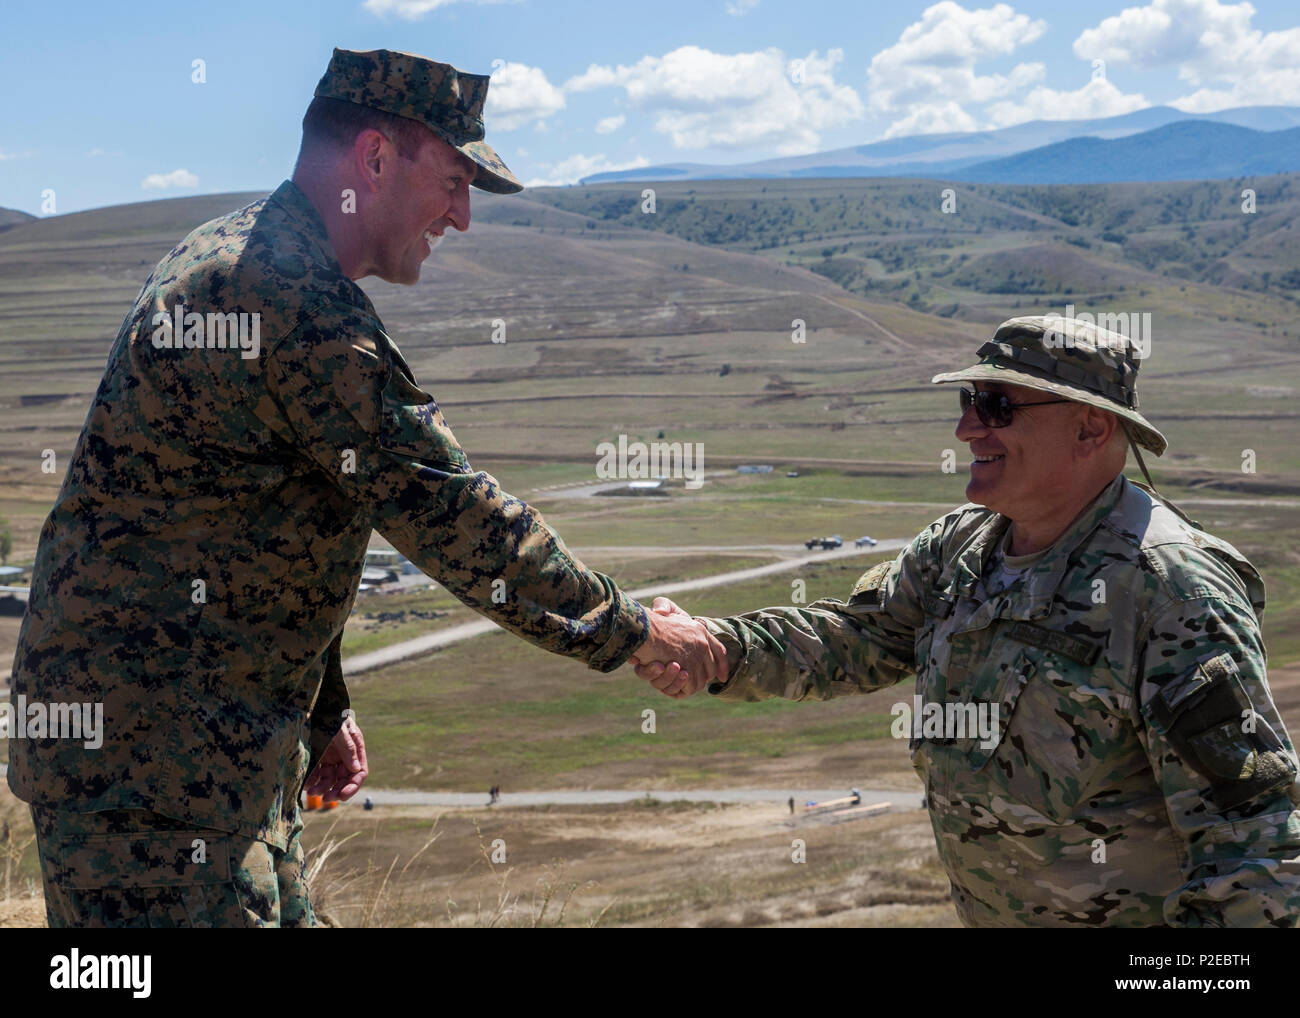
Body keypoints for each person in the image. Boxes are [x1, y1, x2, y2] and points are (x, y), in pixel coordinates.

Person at [8, 47, 723, 928]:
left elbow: (265, 526)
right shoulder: (286, 297)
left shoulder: (240, 253)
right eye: (455, 180)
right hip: (158, 781)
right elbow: (452, 514)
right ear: (375, 158)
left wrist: (323, 705)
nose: (462, 217)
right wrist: (637, 631)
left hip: (184, 756)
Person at [638, 315, 1300, 927]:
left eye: (998, 407)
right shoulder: (960, 548)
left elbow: (1255, 846)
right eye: (968, 403)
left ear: (1091, 430)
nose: (967, 429)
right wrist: (712, 648)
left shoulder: (1171, 590)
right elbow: (856, 638)